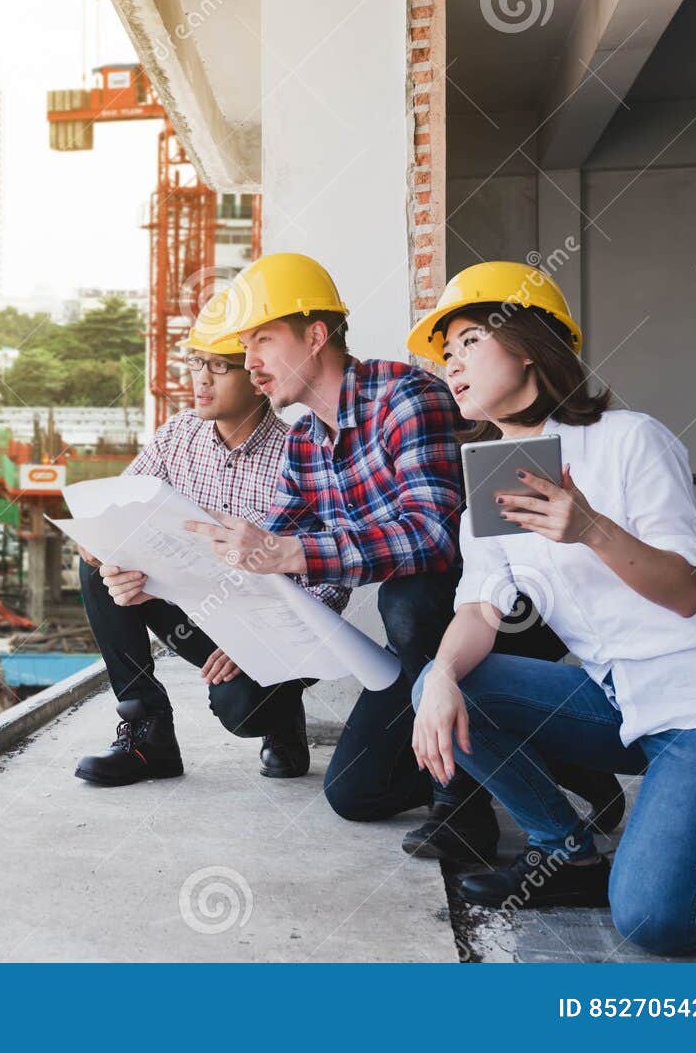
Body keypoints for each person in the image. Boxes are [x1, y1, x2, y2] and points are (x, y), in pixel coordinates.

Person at [405, 261, 696, 954]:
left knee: (655, 923)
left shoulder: (628, 439)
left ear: (527, 344)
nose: (451, 366)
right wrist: (438, 676)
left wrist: (589, 528)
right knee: (446, 682)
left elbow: (686, 590)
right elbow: (480, 612)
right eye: (445, 354)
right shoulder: (491, 481)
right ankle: (566, 853)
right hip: (619, 702)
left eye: (468, 341)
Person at [184, 252, 621, 862]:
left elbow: (432, 537)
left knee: (410, 593)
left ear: (315, 337)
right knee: (356, 793)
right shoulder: (305, 443)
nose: (249, 361)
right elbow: (279, 548)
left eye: (262, 339)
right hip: (424, 644)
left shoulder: (406, 396)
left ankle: (462, 809)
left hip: (496, 624)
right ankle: (550, 754)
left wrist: (293, 553)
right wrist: (248, 622)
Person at [74, 288, 350, 787]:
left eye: (218, 368)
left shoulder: (300, 451)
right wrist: (105, 550)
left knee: (242, 711)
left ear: (256, 373)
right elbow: (113, 513)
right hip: (199, 611)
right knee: (98, 572)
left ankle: (281, 715)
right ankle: (148, 734)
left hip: (279, 628)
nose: (199, 379)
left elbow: (332, 584)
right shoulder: (177, 435)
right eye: (196, 363)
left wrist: (258, 640)